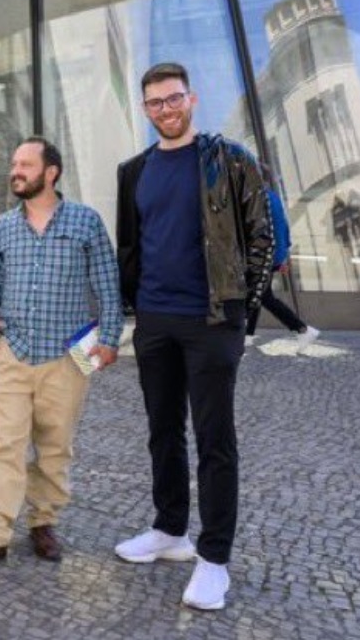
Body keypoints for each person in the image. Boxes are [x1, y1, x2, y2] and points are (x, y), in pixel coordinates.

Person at [114, 62, 273, 611]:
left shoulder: (228, 160)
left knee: (214, 441)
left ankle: (215, 559)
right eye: (155, 102)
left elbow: (264, 236)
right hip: (154, 321)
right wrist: (132, 308)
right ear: (145, 109)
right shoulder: (133, 171)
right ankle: (170, 530)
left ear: (192, 99)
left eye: (173, 98)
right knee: (162, 432)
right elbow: (131, 248)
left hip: (211, 323)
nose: (165, 108)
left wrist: (240, 313)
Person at [0, 137, 124, 572]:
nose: (15, 171)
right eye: (14, 163)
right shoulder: (6, 226)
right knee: (6, 445)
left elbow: (109, 288)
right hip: (14, 352)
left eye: (25, 164)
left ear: (51, 172)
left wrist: (109, 339)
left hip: (66, 357)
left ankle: (42, 520)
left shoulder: (86, 223)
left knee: (55, 447)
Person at [245, 166, 319, 352]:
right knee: (258, 293)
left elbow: (253, 230)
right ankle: (247, 336)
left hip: (262, 256)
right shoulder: (272, 197)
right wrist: (283, 256)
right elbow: (284, 227)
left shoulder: (258, 199)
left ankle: (303, 329)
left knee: (262, 296)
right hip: (272, 255)